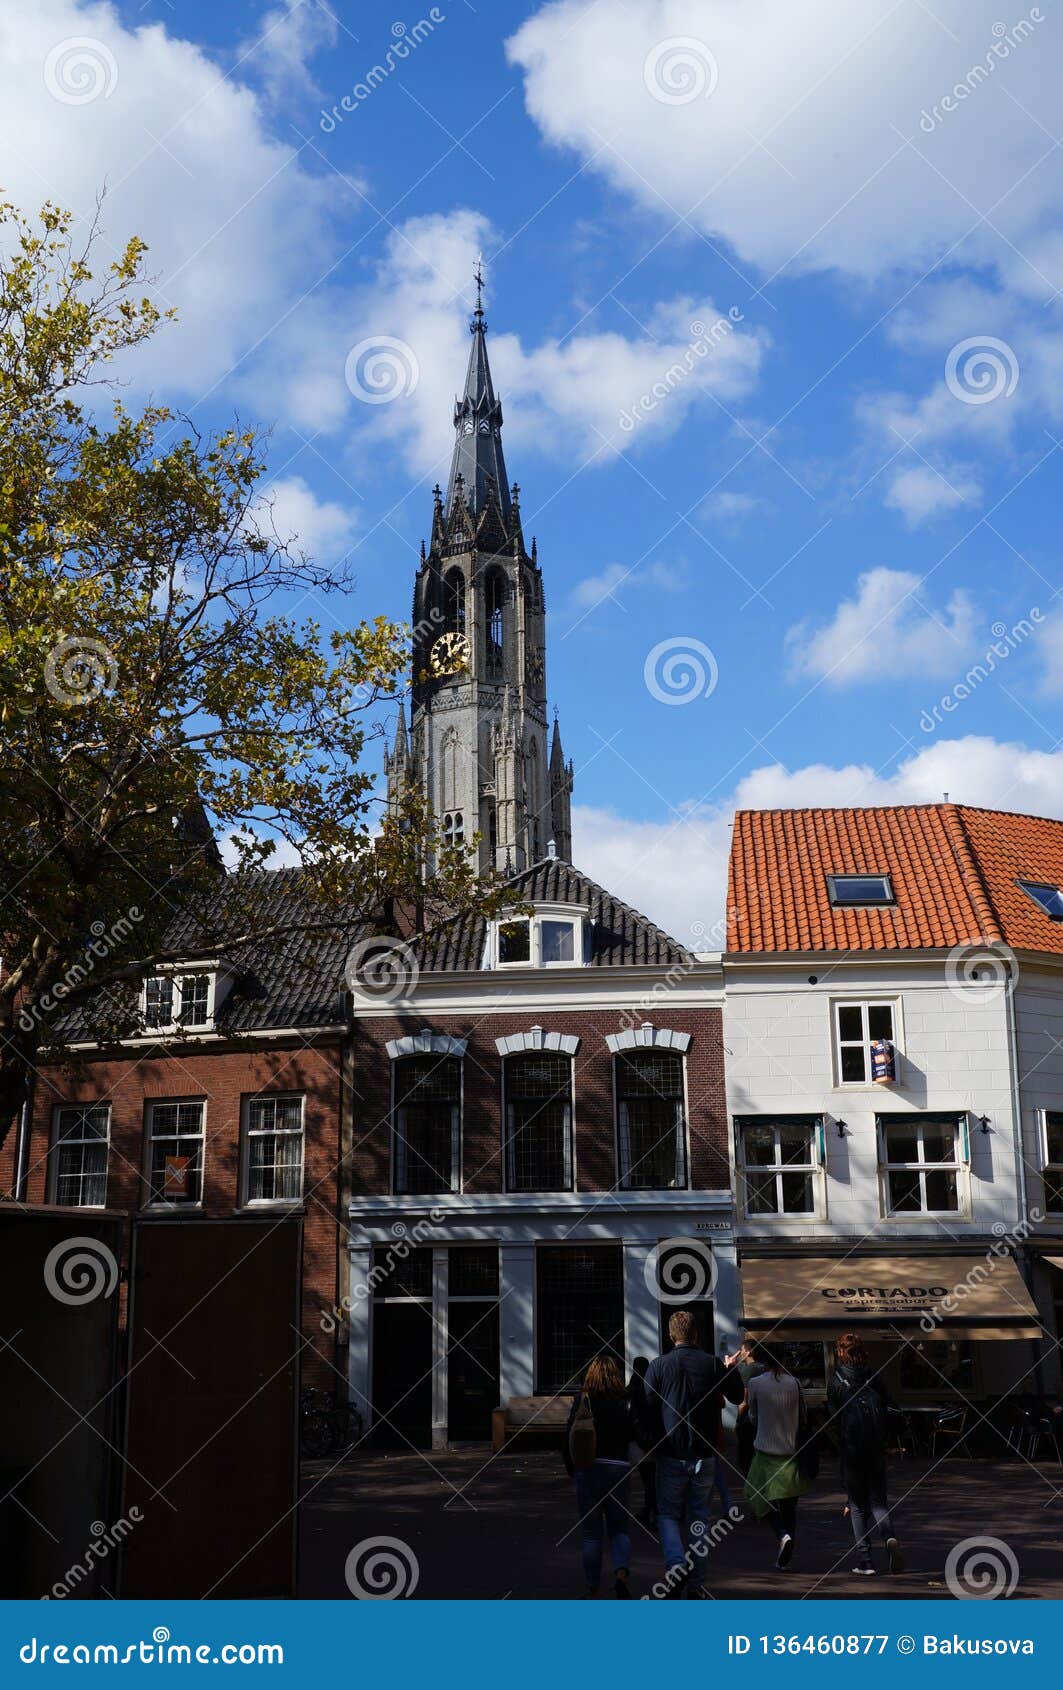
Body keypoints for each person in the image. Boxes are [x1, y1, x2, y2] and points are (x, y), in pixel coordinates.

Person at [644, 1310, 745, 1598]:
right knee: (699, 1516)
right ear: (696, 1334)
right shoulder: (711, 1364)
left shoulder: (658, 1366)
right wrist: (729, 1369)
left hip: (671, 1451)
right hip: (704, 1452)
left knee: (667, 1513)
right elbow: (737, 1396)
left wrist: (653, 1440)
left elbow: (647, 1407)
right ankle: (697, 1583)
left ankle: (675, 1562)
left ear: (670, 1334)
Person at [827, 1333, 903, 1576]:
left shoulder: (836, 1380)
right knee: (879, 1501)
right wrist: (887, 1443)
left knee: (857, 1506)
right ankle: (889, 1537)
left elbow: (833, 1420)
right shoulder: (874, 1376)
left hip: (852, 1451)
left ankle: (865, 1561)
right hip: (876, 1449)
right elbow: (891, 1408)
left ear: (840, 1352)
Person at [563, 1354, 638, 1598]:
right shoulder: (625, 1399)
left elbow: (569, 1437)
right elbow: (634, 1433)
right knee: (620, 1530)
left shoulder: (583, 1400)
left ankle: (592, 1588)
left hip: (590, 1468)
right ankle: (621, 1577)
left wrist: (572, 1469)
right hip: (618, 1467)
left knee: (591, 1535)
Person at [744, 1342, 811, 1568]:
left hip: (765, 1451)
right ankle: (786, 1557)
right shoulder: (795, 1383)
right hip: (791, 1452)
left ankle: (781, 1535)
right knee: (789, 1506)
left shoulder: (755, 1383)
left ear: (763, 1360)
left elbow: (752, 1415)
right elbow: (803, 1417)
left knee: (758, 1496)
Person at [627, 1356, 657, 1528]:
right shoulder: (653, 1388)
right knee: (652, 1477)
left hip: (638, 1441)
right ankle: (651, 1510)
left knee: (647, 1478)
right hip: (652, 1439)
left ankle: (649, 1510)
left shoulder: (631, 1388)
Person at [725, 1334, 762, 1476]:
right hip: (762, 1419)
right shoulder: (763, 1368)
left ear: (747, 1352)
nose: (739, 1354)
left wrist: (738, 1421)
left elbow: (744, 1402)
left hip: (748, 1421)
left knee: (745, 1458)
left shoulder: (748, 1370)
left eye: (741, 1350)